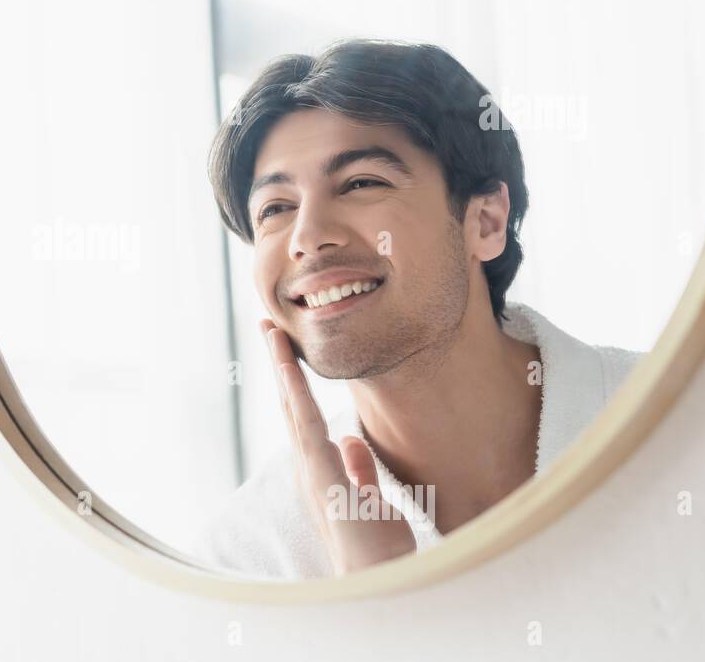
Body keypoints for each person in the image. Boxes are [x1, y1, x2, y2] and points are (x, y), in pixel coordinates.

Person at [193, 41, 641, 580]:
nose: (307, 238)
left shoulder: (693, 415)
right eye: (276, 209)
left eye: (361, 183)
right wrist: (376, 601)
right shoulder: (244, 561)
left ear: (486, 223)